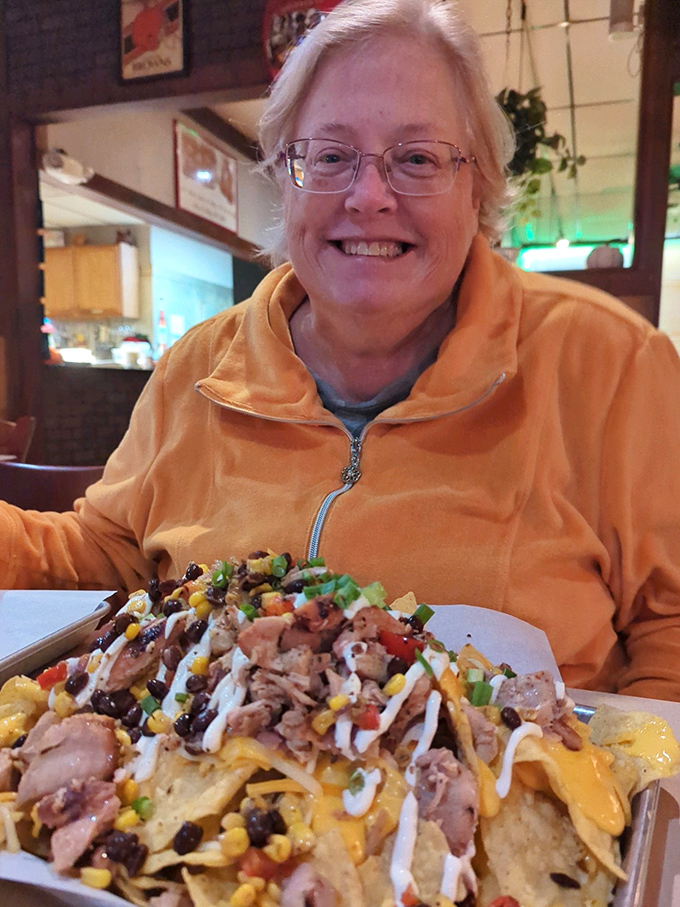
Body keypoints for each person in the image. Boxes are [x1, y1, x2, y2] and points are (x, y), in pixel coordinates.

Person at [3, 0, 680, 701]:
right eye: (329, 156)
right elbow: (107, 555)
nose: (368, 196)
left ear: (477, 185)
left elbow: (672, 622)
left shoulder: (613, 364)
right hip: (206, 764)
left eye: (416, 158)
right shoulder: (197, 365)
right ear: (283, 177)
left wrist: (630, 761)